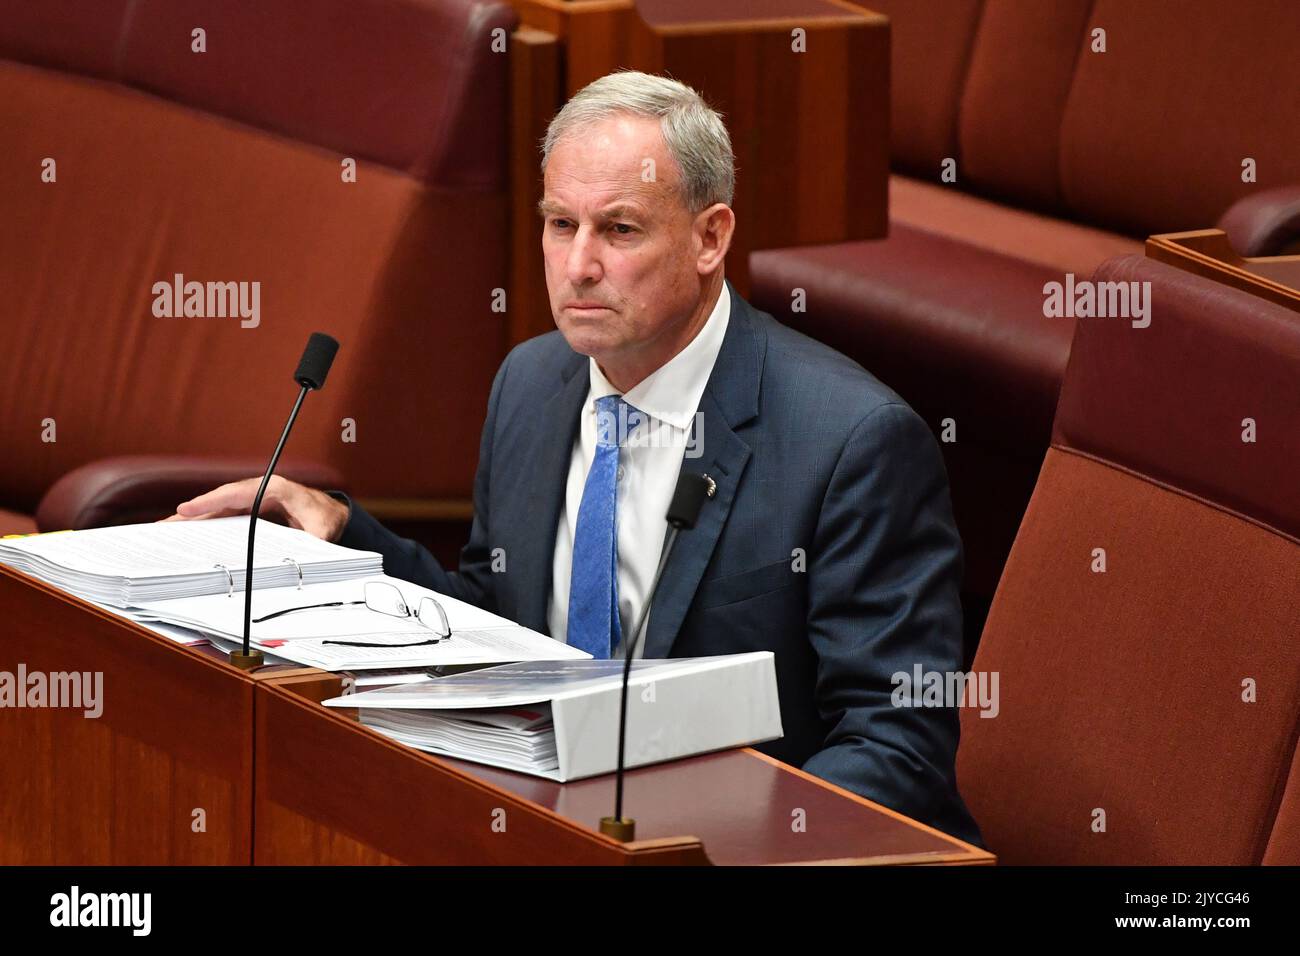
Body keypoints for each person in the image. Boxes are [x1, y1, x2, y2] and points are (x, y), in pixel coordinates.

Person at [167, 71, 982, 845]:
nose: (580, 265)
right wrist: (346, 535)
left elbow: (894, 746)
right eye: (561, 224)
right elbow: (500, 619)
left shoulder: (852, 442)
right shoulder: (533, 382)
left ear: (710, 237)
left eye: (619, 229)